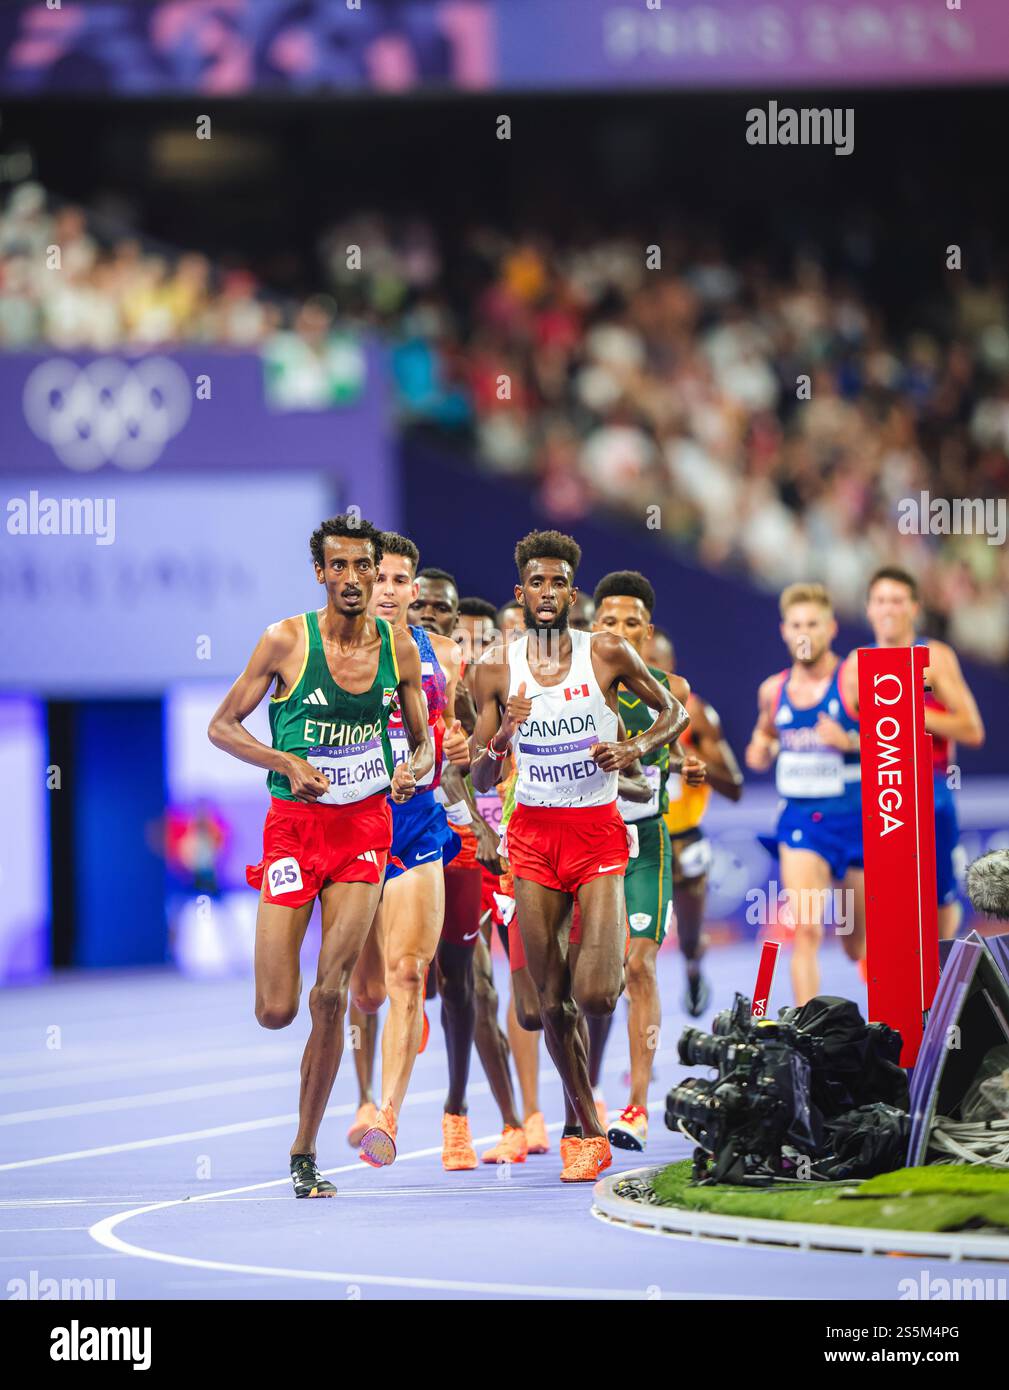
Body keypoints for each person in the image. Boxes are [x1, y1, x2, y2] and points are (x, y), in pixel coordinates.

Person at [208, 515, 431, 1197]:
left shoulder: (396, 648)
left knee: (331, 995)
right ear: (321, 574)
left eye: (362, 566)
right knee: (276, 1008)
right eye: (337, 567)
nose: (352, 578)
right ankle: (305, 1120)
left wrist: (410, 770)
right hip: (294, 831)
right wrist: (284, 760)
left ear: (372, 572)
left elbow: (423, 741)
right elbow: (220, 726)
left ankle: (304, 1153)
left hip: (365, 827)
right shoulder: (284, 640)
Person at [471, 530, 688, 1182]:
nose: (545, 593)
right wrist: (504, 731)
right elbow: (480, 779)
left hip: (596, 833)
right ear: (521, 592)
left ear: (572, 591)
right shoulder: (493, 666)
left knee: (595, 996)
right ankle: (584, 1129)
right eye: (534, 582)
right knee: (546, 1003)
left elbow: (672, 710)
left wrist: (634, 748)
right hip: (533, 839)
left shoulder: (606, 652)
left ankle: (590, 1087)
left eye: (557, 582)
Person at [348, 537, 470, 1169]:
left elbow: (470, 730)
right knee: (364, 992)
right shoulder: (338, 653)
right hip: (354, 832)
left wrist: (472, 749)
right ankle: (396, 1025)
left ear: (413, 589)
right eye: (380, 578)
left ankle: (388, 1116)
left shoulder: (444, 655)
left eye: (400, 580)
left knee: (407, 976)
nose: (389, 590)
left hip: (418, 828)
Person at [590, 573, 707, 1153]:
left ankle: (636, 1104)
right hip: (583, 845)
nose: (617, 631)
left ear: (647, 631)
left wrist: (679, 761)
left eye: (630, 623)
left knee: (639, 966)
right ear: (593, 626)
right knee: (583, 984)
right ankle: (580, 1097)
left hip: (644, 846)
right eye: (607, 622)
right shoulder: (568, 684)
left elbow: (678, 736)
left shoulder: (671, 688)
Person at [745, 583, 864, 1005]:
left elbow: (896, 739)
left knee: (856, 943)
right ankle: (808, 1037)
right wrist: (760, 750)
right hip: (800, 824)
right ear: (783, 630)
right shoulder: (771, 690)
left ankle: (889, 1030)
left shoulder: (852, 680)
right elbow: (763, 737)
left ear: (831, 627)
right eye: (796, 624)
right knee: (807, 928)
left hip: (855, 825)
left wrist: (851, 741)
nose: (804, 633)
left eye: (813, 623)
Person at [863, 566, 985, 940]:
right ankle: (892, 989)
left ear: (914, 607)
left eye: (897, 600)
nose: (889, 608)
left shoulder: (934, 656)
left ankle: (939, 985)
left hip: (929, 788)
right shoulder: (859, 663)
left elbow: (972, 729)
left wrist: (914, 715)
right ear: (869, 608)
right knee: (879, 906)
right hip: (877, 791)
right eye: (881, 600)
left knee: (938, 896)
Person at [645, 626, 744, 1017]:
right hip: (635, 839)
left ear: (673, 670)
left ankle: (693, 968)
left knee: (687, 939)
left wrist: (691, 764)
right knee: (634, 946)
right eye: (642, 662)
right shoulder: (611, 706)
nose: (648, 673)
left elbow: (734, 787)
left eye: (657, 665)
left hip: (685, 840)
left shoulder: (696, 713)